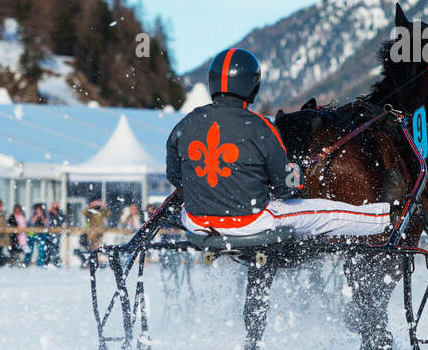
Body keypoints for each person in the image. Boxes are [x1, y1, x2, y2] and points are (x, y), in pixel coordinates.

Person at [166, 47, 390, 239]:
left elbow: (177, 177)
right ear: (253, 86)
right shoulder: (261, 127)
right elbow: (286, 188)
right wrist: (297, 173)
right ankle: (388, 218)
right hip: (250, 222)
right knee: (329, 213)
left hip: (196, 221)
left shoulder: (185, 124)